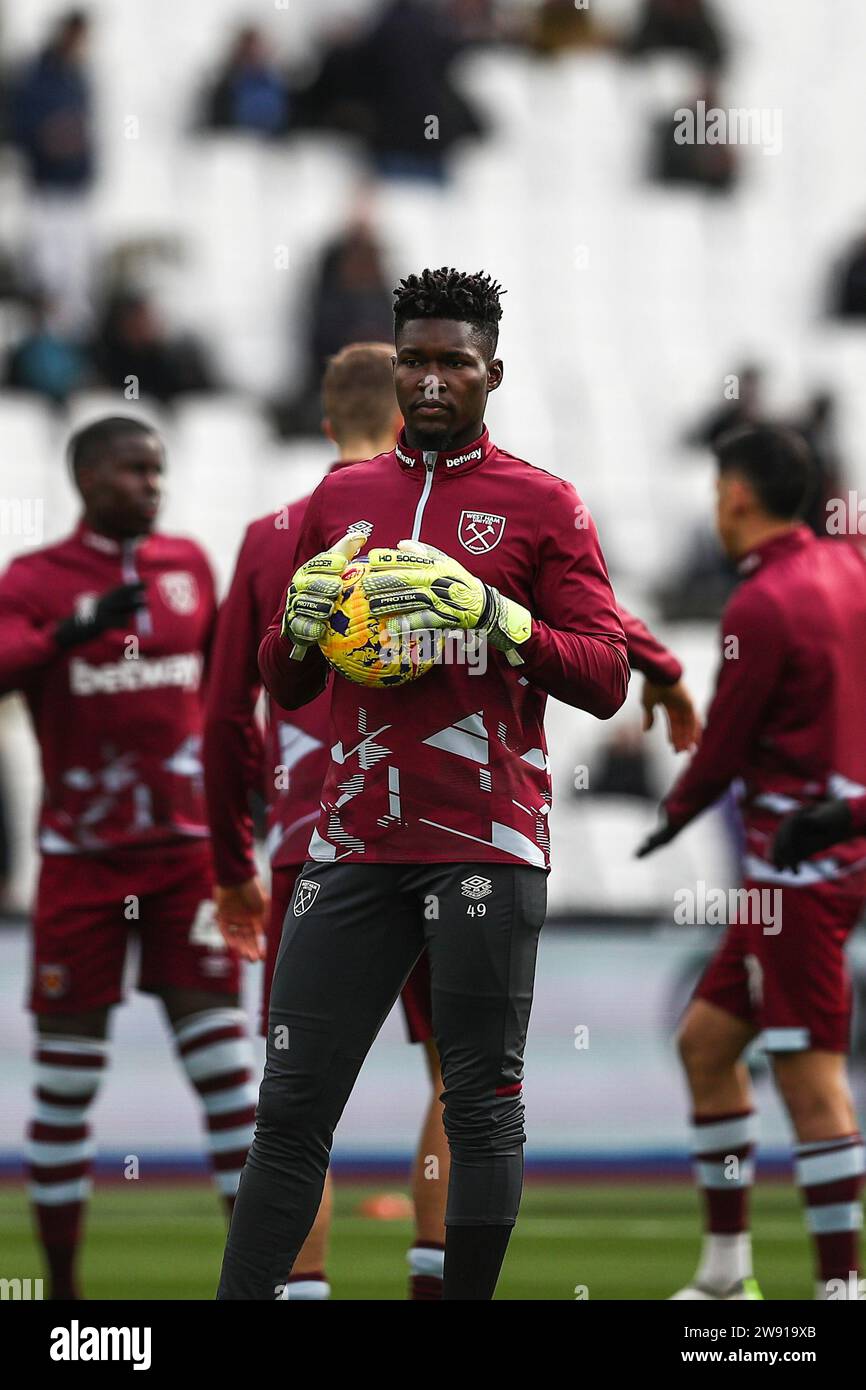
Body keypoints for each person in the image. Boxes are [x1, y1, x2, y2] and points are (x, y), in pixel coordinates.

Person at [214, 266, 693, 1300]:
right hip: (350, 843)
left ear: (493, 373)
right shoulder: (342, 498)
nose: (431, 381)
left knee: (478, 1103)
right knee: (290, 1106)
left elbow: (605, 676)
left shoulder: (542, 503)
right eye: (416, 362)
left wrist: (495, 613)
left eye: (454, 364)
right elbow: (286, 678)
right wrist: (291, 630)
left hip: (485, 839)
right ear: (395, 368)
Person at [204, 342, 451, 1300]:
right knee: (458, 1082)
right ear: (405, 421)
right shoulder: (443, 523)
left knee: (297, 1106)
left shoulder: (274, 531)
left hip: (315, 846)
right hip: (440, 835)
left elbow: (226, 714)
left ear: (323, 425)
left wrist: (232, 864)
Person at [0, 416, 255, 1299]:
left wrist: (246, 803)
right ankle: (61, 1294)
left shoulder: (187, 565)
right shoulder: (35, 580)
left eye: (159, 470)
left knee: (229, 1077)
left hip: (187, 860)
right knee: (67, 1087)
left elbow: (229, 692)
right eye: (133, 470)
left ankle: (248, 1285)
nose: (152, 485)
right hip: (83, 862)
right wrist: (70, 631)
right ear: (85, 479)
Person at [637, 424, 866, 1301]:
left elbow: (726, 743)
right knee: (706, 1044)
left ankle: (841, 1291)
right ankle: (728, 1278)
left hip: (798, 872)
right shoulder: (848, 570)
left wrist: (676, 809)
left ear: (736, 494)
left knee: (811, 1076)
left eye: (715, 489)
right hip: (819, 857)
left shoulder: (763, 603)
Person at [202, 26, 292, 138]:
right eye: (249, 48)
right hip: (238, 143)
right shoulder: (227, 85)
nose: (254, 53)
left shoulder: (276, 80)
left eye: (257, 48)